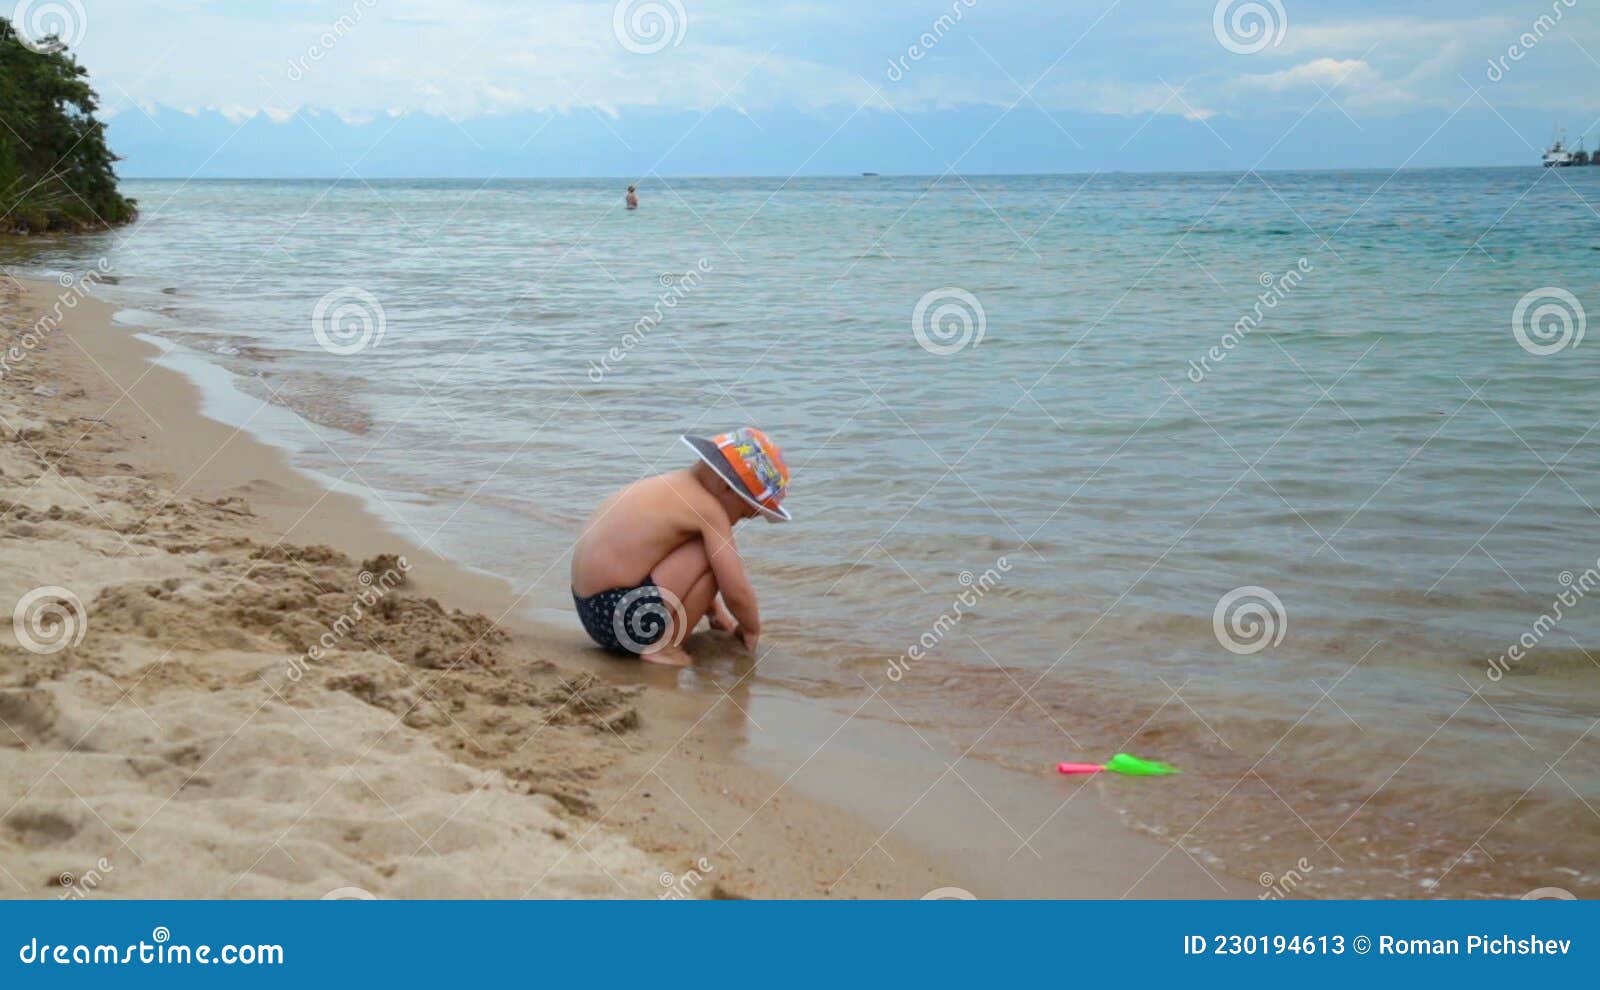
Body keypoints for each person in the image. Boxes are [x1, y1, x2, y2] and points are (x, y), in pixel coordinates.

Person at [571, 428, 792, 666]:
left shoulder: (673, 486)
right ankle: (665, 648)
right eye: (742, 514)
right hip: (622, 620)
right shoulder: (708, 509)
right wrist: (751, 628)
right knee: (713, 555)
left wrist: (715, 612)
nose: (735, 522)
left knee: (706, 547)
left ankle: (671, 636)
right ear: (726, 488)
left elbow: (664, 561)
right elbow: (735, 590)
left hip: (593, 612)